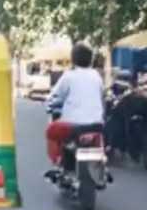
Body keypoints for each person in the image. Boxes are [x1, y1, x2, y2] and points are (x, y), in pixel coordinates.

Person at [44, 43, 106, 176]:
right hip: (97, 124)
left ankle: (58, 160)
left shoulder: (68, 77)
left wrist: (49, 106)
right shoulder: (97, 77)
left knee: (51, 130)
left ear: (73, 59)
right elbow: (101, 98)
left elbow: (54, 98)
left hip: (72, 126)